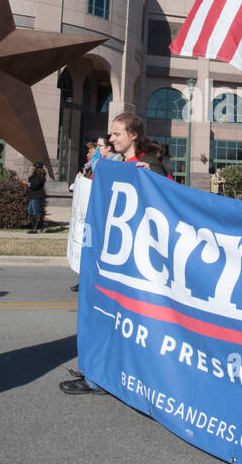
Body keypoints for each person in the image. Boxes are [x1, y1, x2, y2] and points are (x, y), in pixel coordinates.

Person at [60, 112, 168, 394]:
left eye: (117, 133)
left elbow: (168, 204)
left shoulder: (150, 166)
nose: (111, 138)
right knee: (108, 316)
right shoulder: (117, 165)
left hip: (135, 262)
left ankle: (101, 378)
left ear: (133, 135)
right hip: (115, 258)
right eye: (111, 134)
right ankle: (97, 371)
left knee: (121, 321)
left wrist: (153, 180)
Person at [26, 162, 48, 233]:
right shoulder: (34, 175)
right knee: (30, 211)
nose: (32, 168)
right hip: (33, 196)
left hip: (37, 196)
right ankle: (40, 225)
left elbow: (34, 186)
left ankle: (35, 229)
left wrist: (27, 184)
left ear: (36, 168)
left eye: (33, 166)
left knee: (36, 212)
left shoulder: (40, 176)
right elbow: (31, 182)